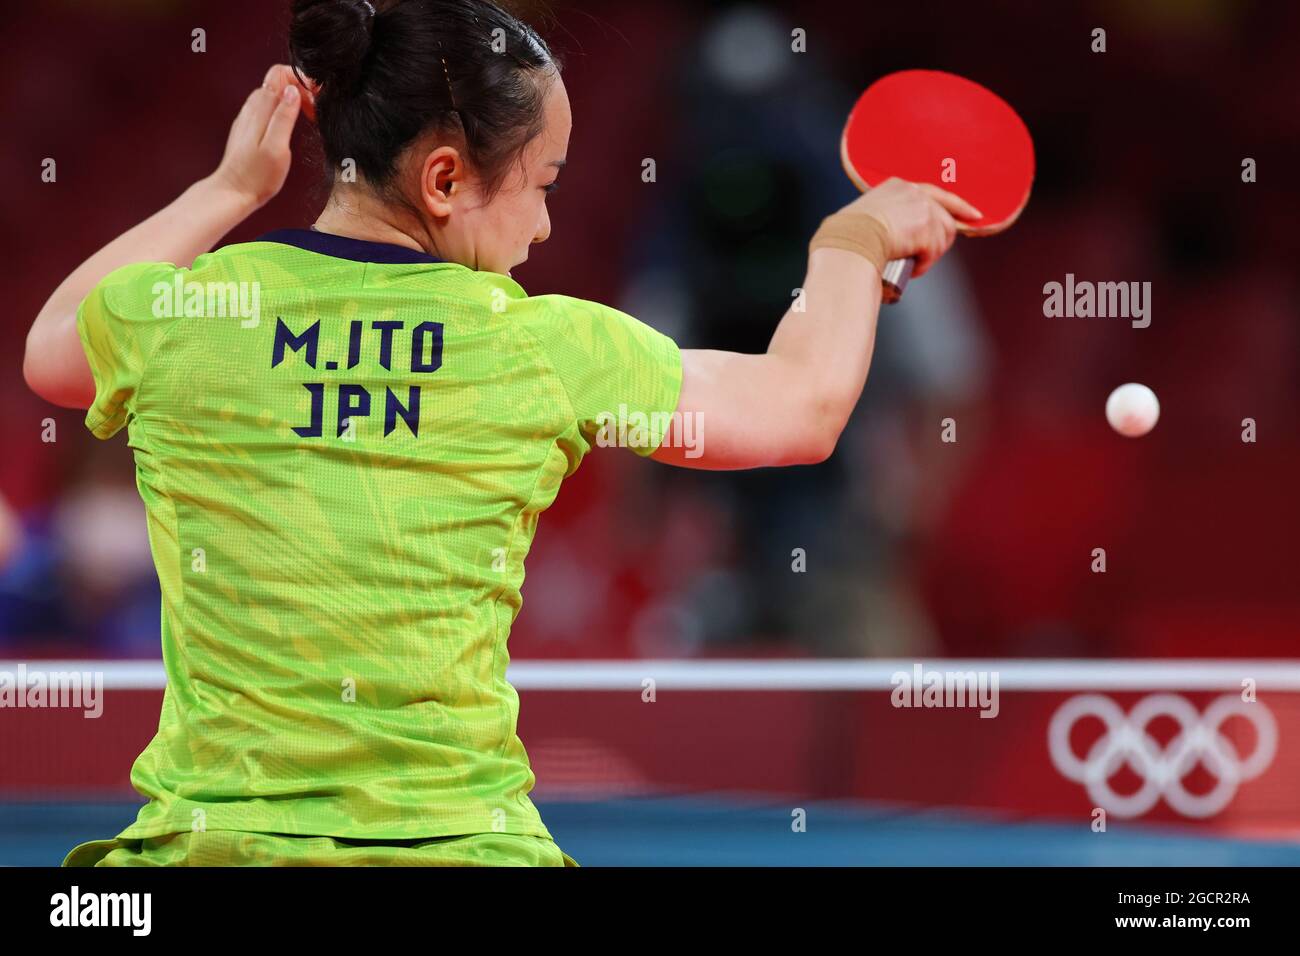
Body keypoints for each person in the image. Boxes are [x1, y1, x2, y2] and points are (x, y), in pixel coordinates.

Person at [23, 0, 973, 866]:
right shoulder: (542, 345)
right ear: (445, 179)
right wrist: (850, 245)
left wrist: (229, 188)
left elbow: (51, 352)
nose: (549, 225)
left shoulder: (186, 313)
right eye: (543, 183)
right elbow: (800, 408)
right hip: (463, 846)